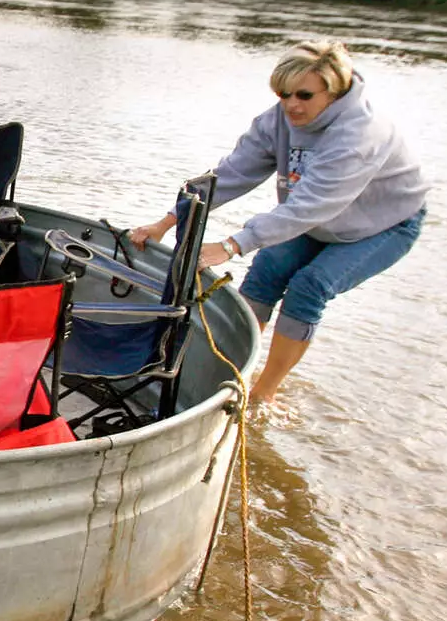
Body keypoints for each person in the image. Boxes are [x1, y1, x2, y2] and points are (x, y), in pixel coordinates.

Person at [129, 41, 429, 407]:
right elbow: (230, 173)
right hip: (318, 219)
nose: (292, 105)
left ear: (334, 92)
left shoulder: (361, 133)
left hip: (382, 225)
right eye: (283, 94)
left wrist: (230, 246)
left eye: (304, 95)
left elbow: (309, 205)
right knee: (266, 269)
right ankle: (231, 377)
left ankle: (263, 394)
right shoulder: (280, 119)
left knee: (310, 285)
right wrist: (168, 220)